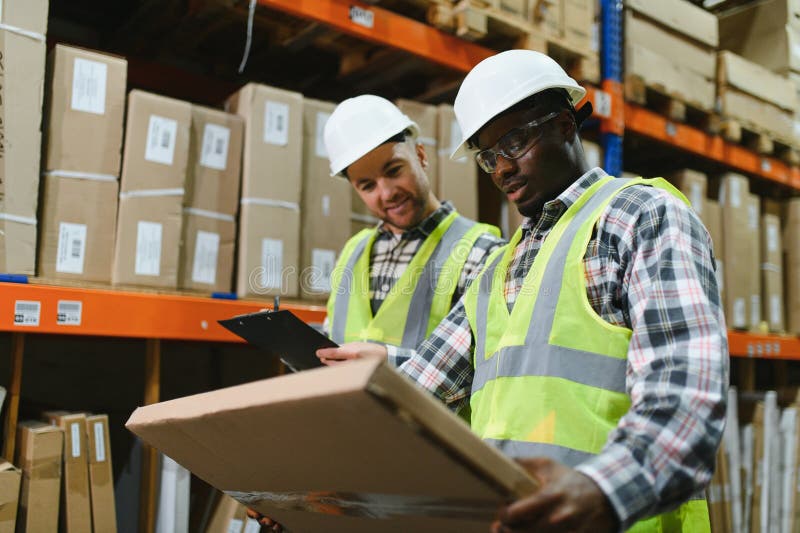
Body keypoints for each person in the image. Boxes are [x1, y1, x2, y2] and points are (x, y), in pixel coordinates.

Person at [318, 50, 728, 532]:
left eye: (514, 141)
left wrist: (602, 490)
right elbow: (423, 385)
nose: (501, 169)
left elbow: (686, 389)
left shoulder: (637, 216)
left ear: (564, 125)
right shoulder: (500, 266)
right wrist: (303, 482)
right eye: (488, 155)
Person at [247, 95, 505, 530]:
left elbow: (487, 373)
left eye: (393, 170)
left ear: (420, 155)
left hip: (432, 480)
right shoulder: (352, 254)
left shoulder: (481, 251)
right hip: (351, 472)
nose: (386, 194)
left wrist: (385, 367)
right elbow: (326, 369)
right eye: (367, 186)